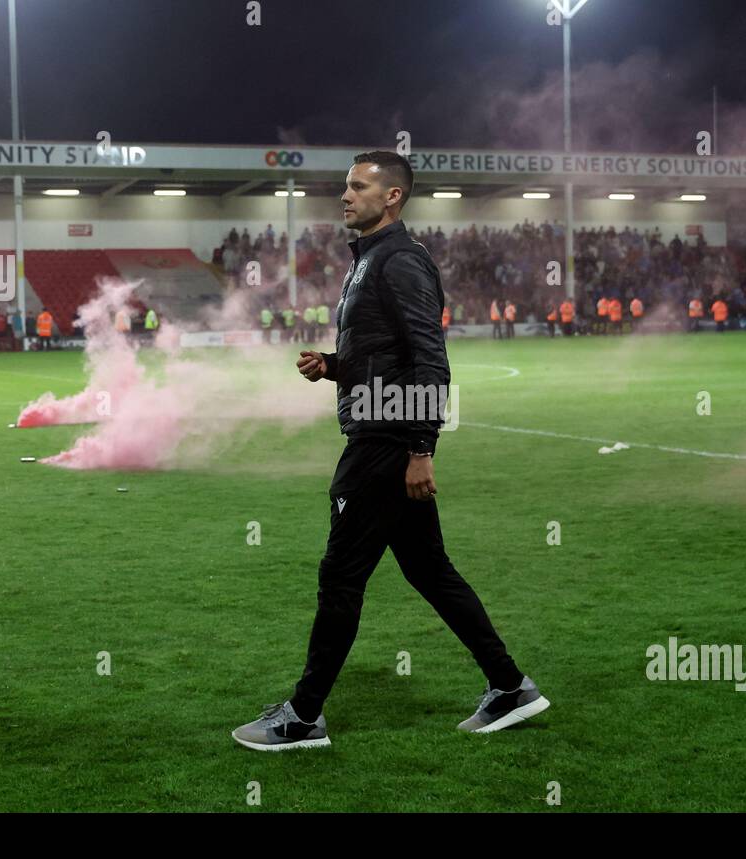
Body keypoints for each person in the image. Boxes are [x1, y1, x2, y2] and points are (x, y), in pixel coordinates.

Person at [232, 150, 548, 751]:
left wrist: (421, 448)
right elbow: (385, 354)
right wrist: (334, 366)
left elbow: (431, 361)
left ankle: (302, 718)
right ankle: (510, 686)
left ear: (392, 196)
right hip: (385, 431)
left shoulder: (399, 260)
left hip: (385, 440)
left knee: (340, 577)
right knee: (430, 570)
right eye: (345, 186)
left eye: (358, 186)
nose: (345, 196)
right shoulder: (372, 257)